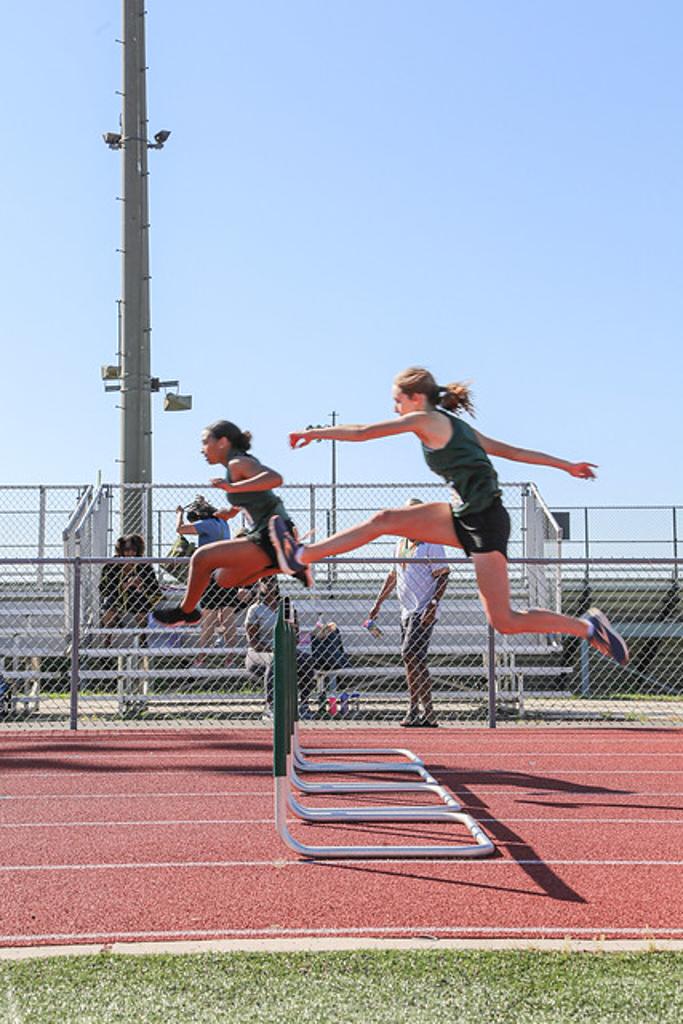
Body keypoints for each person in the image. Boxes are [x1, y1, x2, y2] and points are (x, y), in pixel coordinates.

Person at [269, 366, 629, 666]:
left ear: (416, 398)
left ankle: (588, 627)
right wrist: (566, 466)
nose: (395, 408)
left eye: (397, 401)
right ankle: (301, 556)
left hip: (484, 522)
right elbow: (514, 451)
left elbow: (365, 433)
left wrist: (314, 433)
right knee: (385, 520)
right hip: (462, 514)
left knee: (503, 620)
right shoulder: (455, 427)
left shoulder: (425, 419)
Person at [152, 419, 311, 626]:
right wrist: (231, 511)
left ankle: (186, 611)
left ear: (223, 442)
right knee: (225, 579)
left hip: (273, 532)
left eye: (204, 442)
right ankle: (286, 564)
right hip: (264, 533)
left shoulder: (238, 463)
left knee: (201, 557)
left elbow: (274, 479)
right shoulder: (233, 467)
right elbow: (255, 493)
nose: (202, 450)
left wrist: (231, 489)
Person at [367, 499, 450, 727]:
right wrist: (378, 603)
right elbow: (393, 575)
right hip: (406, 610)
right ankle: (422, 711)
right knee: (415, 660)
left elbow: (443, 575)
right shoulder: (400, 543)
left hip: (422, 609)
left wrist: (433, 604)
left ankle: (421, 710)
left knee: (409, 654)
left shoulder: (432, 542)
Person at [174, 496, 243, 665]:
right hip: (228, 570)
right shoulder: (222, 522)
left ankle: (201, 657)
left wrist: (179, 514)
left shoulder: (207, 524)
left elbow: (180, 529)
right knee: (227, 617)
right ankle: (230, 658)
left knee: (209, 617)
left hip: (211, 574)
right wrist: (202, 502)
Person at [244, 577, 315, 720]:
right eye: (265, 581)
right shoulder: (255, 609)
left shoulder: (286, 606)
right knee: (274, 660)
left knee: (307, 660)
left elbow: (295, 638)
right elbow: (253, 641)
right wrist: (273, 649)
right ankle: (271, 706)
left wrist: (291, 629)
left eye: (272, 581)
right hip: (259, 652)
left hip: (284, 650)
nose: (269, 584)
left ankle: (304, 704)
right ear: (260, 586)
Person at [99, 533, 162, 639]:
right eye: (126, 550)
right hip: (116, 597)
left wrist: (142, 586)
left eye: (133, 549)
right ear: (121, 550)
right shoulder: (112, 564)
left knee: (142, 609)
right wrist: (123, 586)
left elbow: (154, 588)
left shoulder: (144, 565)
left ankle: (143, 641)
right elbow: (104, 588)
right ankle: (107, 642)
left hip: (138, 596)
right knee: (109, 609)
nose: (130, 553)